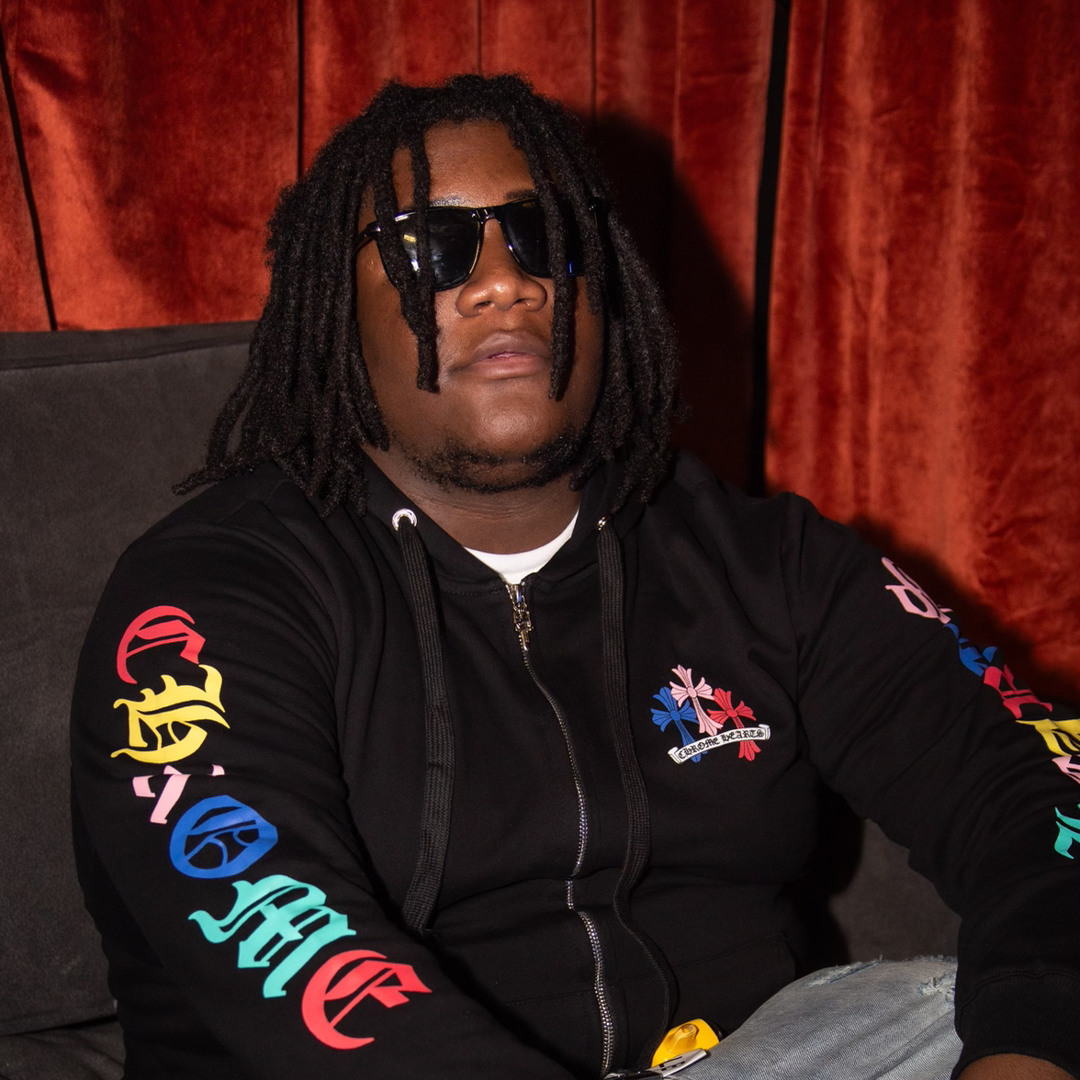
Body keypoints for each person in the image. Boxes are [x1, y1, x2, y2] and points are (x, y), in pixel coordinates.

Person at [69, 74, 1078, 1080]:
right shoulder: (213, 594)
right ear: (336, 308)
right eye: (432, 246)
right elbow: (274, 930)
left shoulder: (765, 561)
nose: (506, 283)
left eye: (542, 237)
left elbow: (1034, 798)